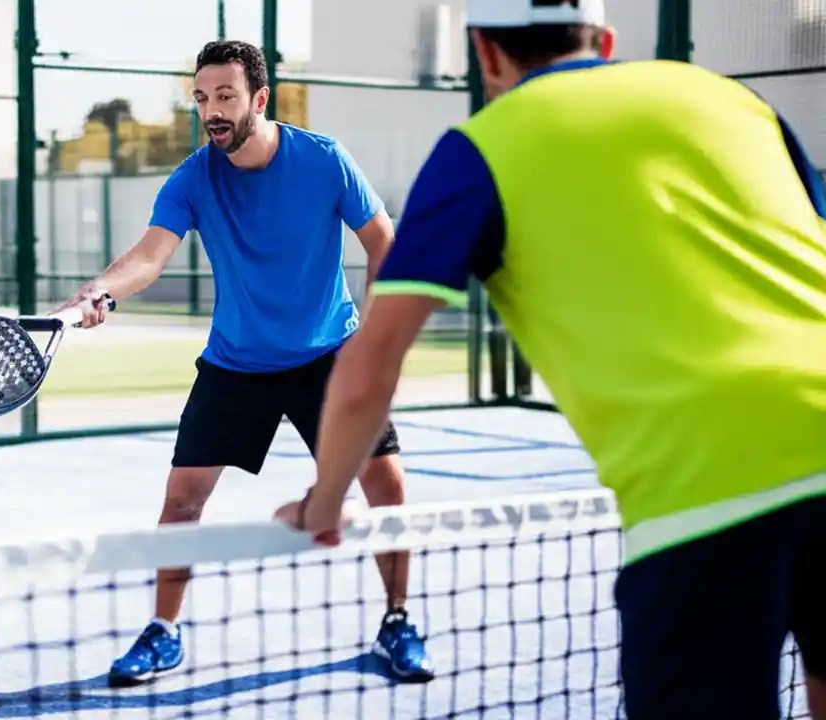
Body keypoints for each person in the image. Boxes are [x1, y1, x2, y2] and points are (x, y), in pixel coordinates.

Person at [275, 0, 826, 718]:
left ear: (486, 54)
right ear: (603, 41)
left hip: (705, 499)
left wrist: (325, 502)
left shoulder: (480, 149)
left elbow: (369, 366)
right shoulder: (734, 99)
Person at [55, 39, 435, 687]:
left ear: (260, 98)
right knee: (181, 503)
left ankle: (398, 619)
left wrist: (371, 344)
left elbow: (384, 243)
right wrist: (101, 290)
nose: (212, 111)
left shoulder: (324, 161)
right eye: (202, 99)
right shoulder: (194, 178)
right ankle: (164, 631)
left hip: (329, 358)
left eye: (225, 97)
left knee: (387, 490)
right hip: (235, 364)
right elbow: (149, 255)